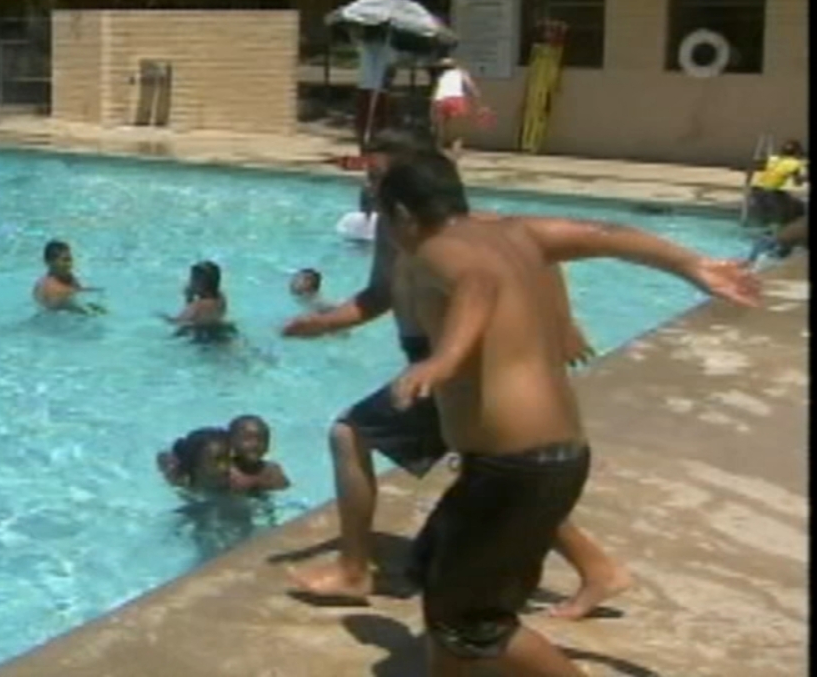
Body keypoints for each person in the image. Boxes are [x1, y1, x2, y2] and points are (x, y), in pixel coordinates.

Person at [373, 150, 759, 677]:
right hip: (548, 458)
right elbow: (606, 234)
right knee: (442, 584)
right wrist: (689, 263)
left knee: (471, 623)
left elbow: (476, 287)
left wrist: (443, 359)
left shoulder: (433, 249)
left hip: (516, 467)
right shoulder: (518, 233)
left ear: (401, 215)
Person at [279, 129, 622, 620]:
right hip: (430, 363)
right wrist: (327, 322)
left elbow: (534, 258)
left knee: (347, 434)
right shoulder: (391, 228)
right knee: (497, 471)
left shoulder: (460, 228)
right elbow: (379, 295)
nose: (372, 187)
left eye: (381, 177)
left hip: (458, 364)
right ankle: (597, 568)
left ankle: (354, 569)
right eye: (370, 176)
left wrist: (563, 323)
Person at [349, 24, 396, 150]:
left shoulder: (364, 46)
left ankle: (364, 146)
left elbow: (354, 38)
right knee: (380, 121)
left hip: (365, 86)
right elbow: (391, 70)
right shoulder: (388, 48)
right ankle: (376, 145)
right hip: (380, 88)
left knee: (363, 120)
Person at [429, 56, 486, 157]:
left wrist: (432, 104)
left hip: (440, 100)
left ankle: (438, 151)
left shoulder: (440, 75)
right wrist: (479, 101)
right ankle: (455, 152)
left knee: (439, 127)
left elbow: (436, 90)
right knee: (457, 129)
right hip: (455, 100)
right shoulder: (461, 72)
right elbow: (471, 86)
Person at [164, 261, 235, 343]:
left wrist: (188, 298)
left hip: (204, 334)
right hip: (222, 329)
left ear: (200, 284)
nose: (189, 283)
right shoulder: (220, 297)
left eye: (192, 280)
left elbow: (179, 321)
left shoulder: (198, 305)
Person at [33, 240, 105, 313]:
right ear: (49, 262)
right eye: (65, 260)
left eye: (70, 259)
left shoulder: (67, 276)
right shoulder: (48, 285)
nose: (69, 264)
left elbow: (77, 290)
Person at [156, 427, 237, 493]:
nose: (230, 465)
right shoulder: (180, 484)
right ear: (195, 466)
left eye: (233, 458)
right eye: (218, 460)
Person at [748, 140, 807, 228]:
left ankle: (761, 229)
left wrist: (749, 179)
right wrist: (805, 177)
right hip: (773, 193)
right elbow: (798, 183)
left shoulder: (773, 159)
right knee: (797, 208)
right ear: (797, 152)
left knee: (764, 216)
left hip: (756, 190)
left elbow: (754, 164)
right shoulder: (795, 163)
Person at [227, 415, 291, 493]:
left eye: (261, 439)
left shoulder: (272, 471)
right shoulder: (226, 472)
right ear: (231, 441)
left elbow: (286, 494)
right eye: (247, 438)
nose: (255, 444)